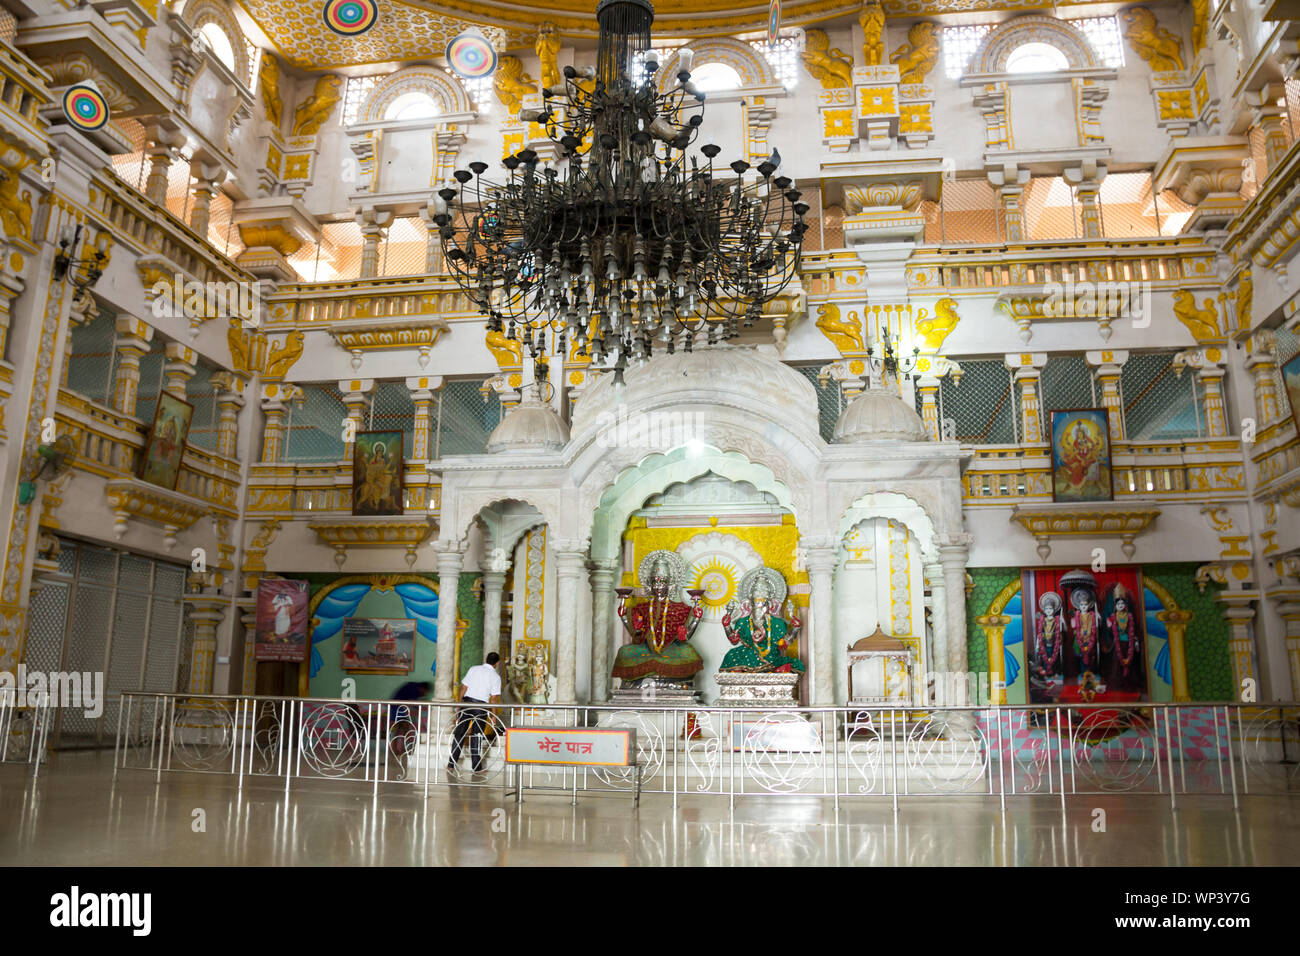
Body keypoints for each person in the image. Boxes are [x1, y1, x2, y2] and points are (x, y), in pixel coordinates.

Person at [448, 652, 502, 774]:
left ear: (485, 659)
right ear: (497, 663)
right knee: (476, 736)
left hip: (466, 703)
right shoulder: (496, 677)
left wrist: (459, 706)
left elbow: (463, 688)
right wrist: (493, 715)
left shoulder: (474, 669)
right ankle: (476, 767)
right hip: (481, 707)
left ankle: (451, 764)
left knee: (459, 733)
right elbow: (493, 698)